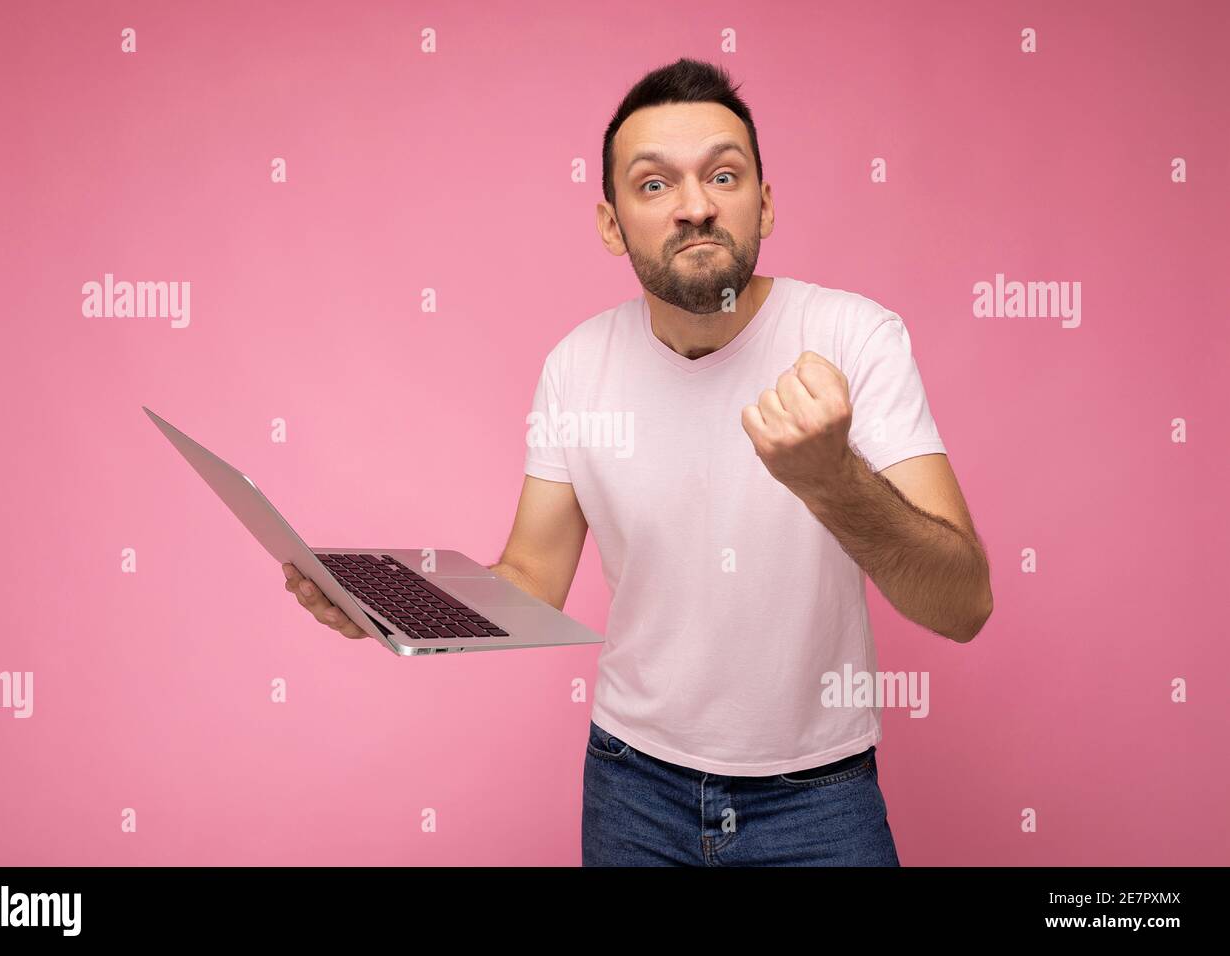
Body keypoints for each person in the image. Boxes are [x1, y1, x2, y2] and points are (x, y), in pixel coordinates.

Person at [282, 57, 993, 867]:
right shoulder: (577, 365)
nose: (695, 207)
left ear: (763, 202)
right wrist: (390, 605)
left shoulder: (857, 338)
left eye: (723, 175)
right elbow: (529, 579)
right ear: (612, 224)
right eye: (654, 185)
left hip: (819, 796)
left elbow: (964, 604)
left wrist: (833, 479)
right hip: (633, 789)